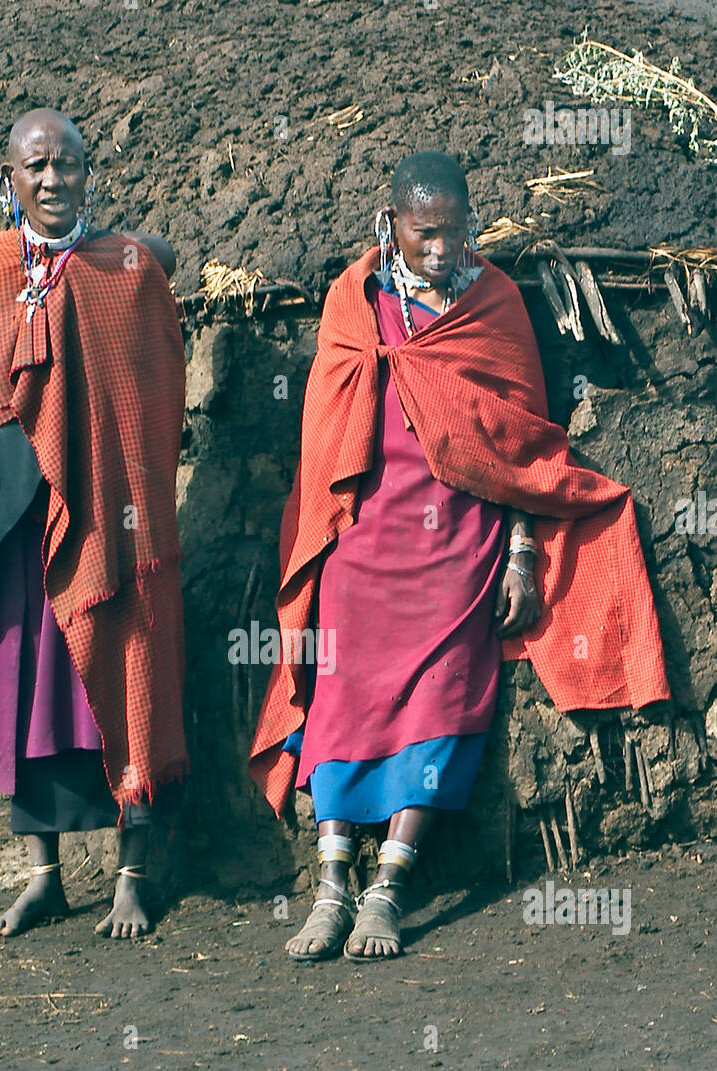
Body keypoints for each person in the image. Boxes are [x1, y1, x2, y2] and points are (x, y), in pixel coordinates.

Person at [249, 150, 670, 963]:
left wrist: (518, 553)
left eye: (453, 231)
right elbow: (327, 429)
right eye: (424, 233)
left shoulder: (496, 303)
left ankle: (389, 890)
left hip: (458, 547)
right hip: (363, 537)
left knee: (443, 700)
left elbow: (521, 443)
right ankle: (332, 885)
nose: (441, 249)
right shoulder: (355, 298)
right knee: (335, 697)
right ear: (392, 225)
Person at [0, 109, 187, 940]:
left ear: (88, 176)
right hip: (15, 525)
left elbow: (152, 401)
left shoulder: (124, 270)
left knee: (123, 670)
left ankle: (133, 877)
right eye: (37, 167)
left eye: (68, 165)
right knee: (24, 686)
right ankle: (45, 876)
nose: (53, 180)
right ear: (10, 180)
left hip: (107, 524)